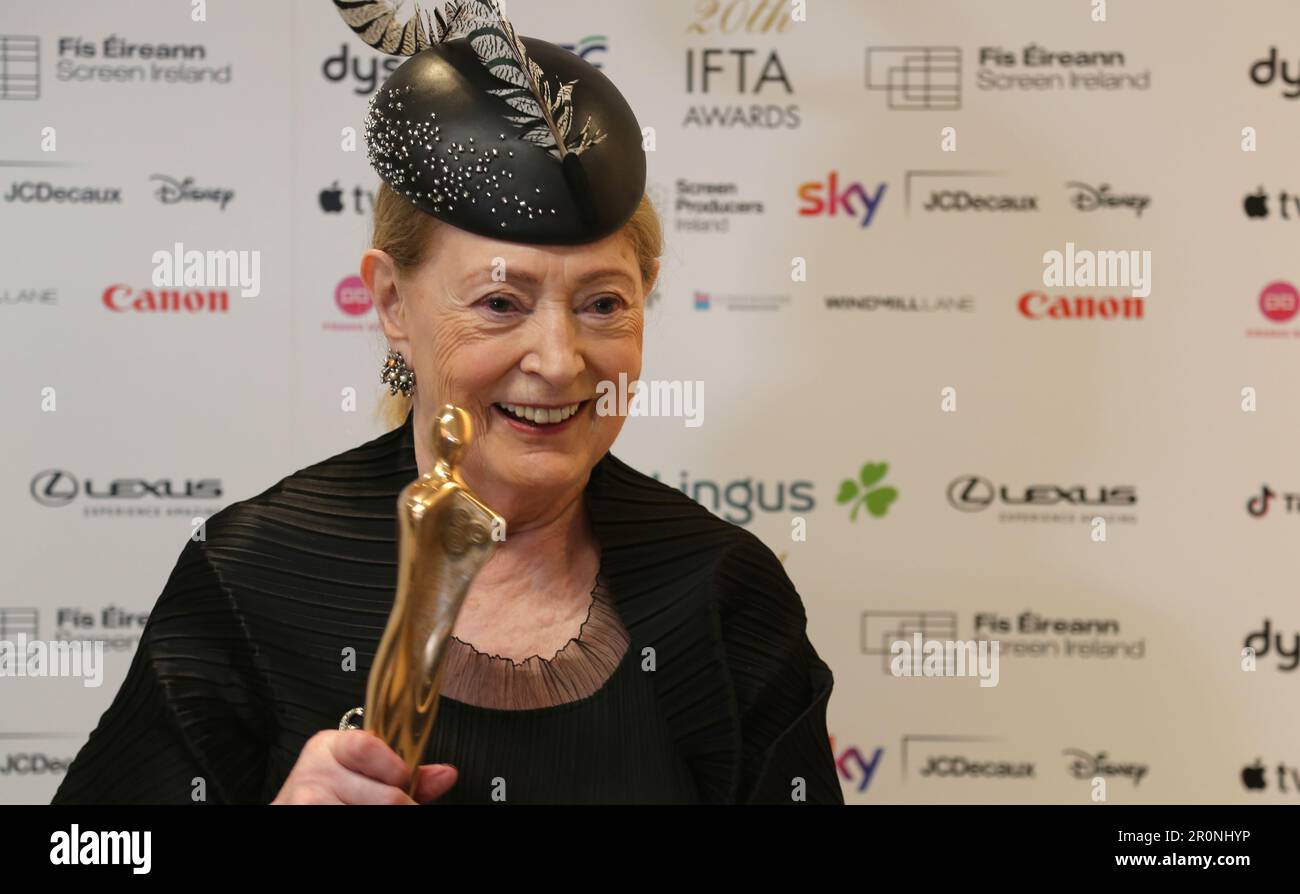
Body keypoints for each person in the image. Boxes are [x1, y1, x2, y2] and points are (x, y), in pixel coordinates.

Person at [50, 0, 842, 805]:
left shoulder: (720, 590)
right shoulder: (256, 575)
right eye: (501, 303)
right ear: (393, 302)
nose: (560, 361)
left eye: (604, 304)